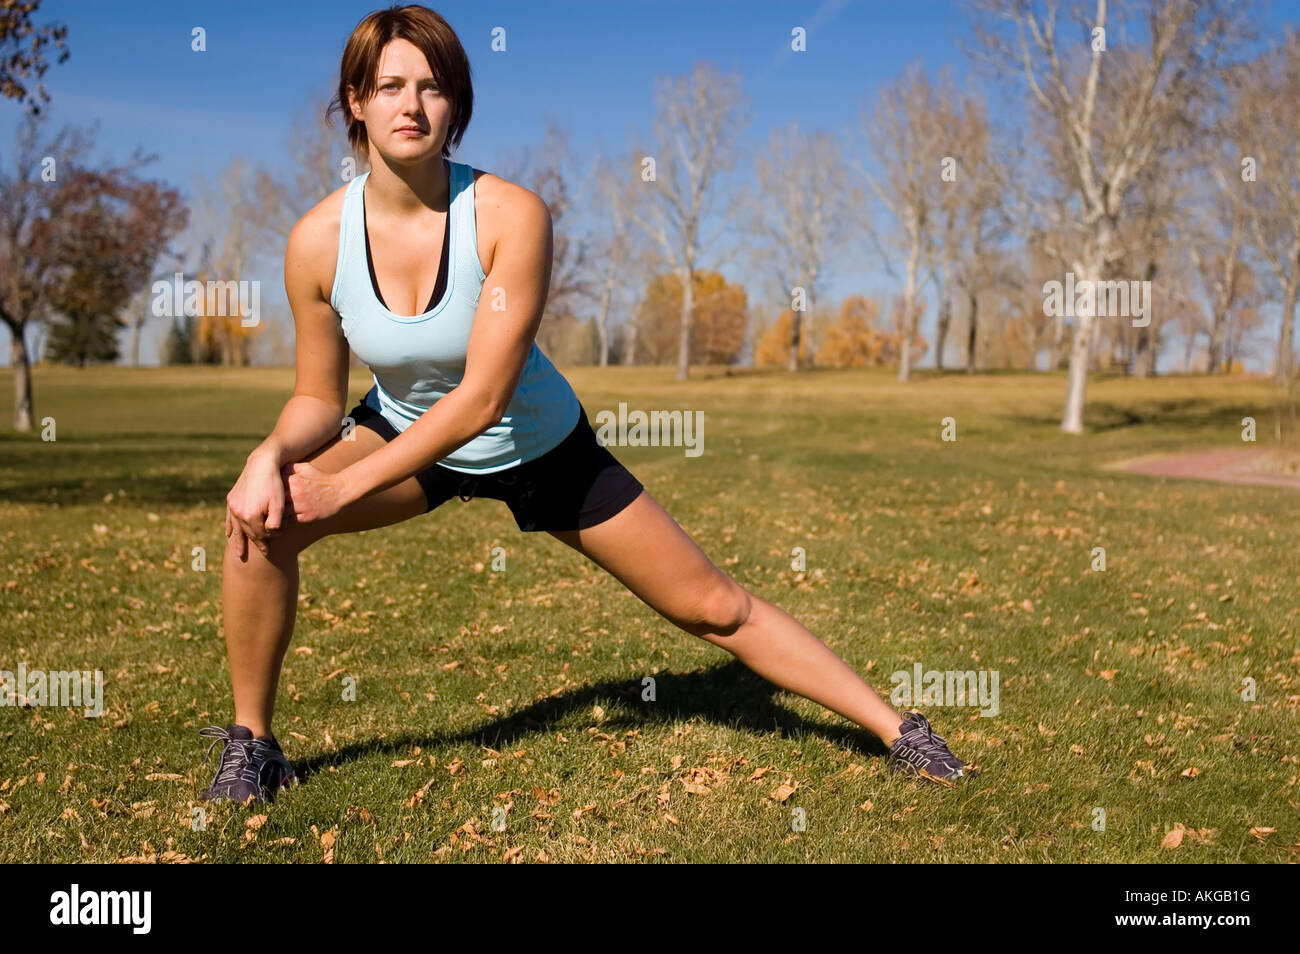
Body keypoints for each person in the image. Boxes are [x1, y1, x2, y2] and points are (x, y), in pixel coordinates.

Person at [200, 4, 975, 805]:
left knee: (712, 606)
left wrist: (340, 486)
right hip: (402, 432)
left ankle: (898, 728)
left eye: (433, 88)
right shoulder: (316, 242)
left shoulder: (509, 215)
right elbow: (316, 399)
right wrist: (270, 459)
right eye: (390, 85)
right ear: (356, 100)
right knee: (260, 519)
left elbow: (483, 397)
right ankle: (252, 745)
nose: (412, 105)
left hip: (536, 442)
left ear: (455, 106)